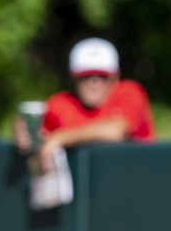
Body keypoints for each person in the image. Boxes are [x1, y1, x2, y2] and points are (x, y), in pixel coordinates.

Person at [13, 38, 155, 171]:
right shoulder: (63, 102)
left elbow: (115, 131)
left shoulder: (129, 92)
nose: (94, 82)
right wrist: (22, 129)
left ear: (115, 76)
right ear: (73, 76)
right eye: (86, 75)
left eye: (102, 75)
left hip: (138, 180)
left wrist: (60, 137)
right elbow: (30, 121)